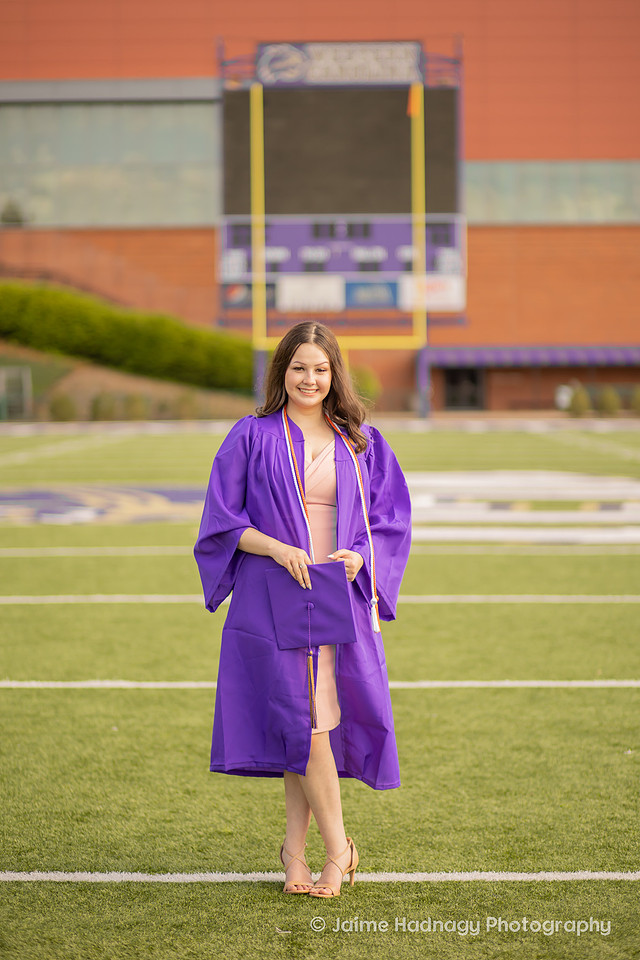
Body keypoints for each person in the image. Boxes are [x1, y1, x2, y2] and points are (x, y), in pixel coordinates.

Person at [194, 321, 411, 897]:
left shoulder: (361, 442)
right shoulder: (251, 435)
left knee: (310, 722)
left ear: (335, 373)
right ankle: (330, 852)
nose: (309, 379)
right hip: (274, 594)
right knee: (304, 723)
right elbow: (222, 522)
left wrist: (361, 560)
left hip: (335, 596)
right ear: (282, 373)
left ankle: (310, 854)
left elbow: (388, 523)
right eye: (298, 368)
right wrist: (276, 546)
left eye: (320, 368)